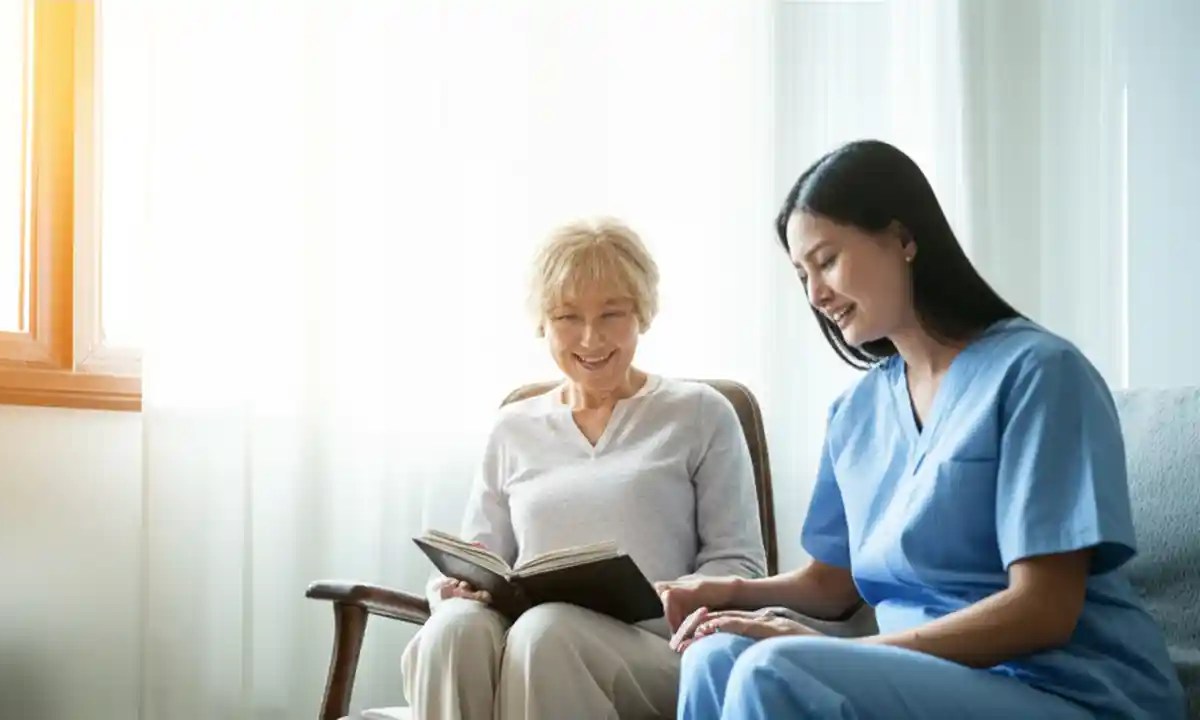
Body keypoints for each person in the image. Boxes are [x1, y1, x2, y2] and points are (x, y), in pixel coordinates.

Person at [664, 140, 1186, 719]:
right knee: (714, 656)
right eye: (802, 274)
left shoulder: (1039, 375)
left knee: (775, 670)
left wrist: (842, 652)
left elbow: (1044, 609)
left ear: (903, 239)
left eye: (827, 260)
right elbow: (833, 585)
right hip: (926, 680)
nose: (815, 294)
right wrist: (728, 595)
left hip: (1067, 691)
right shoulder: (855, 412)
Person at [401, 217, 767, 720]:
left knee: (548, 630)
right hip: (530, 641)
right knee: (454, 628)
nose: (591, 339)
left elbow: (741, 566)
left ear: (642, 313)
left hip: (654, 652)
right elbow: (480, 558)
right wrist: (450, 590)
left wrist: (671, 596)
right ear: (543, 324)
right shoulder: (513, 427)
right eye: (568, 317)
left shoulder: (700, 413)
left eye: (612, 314)